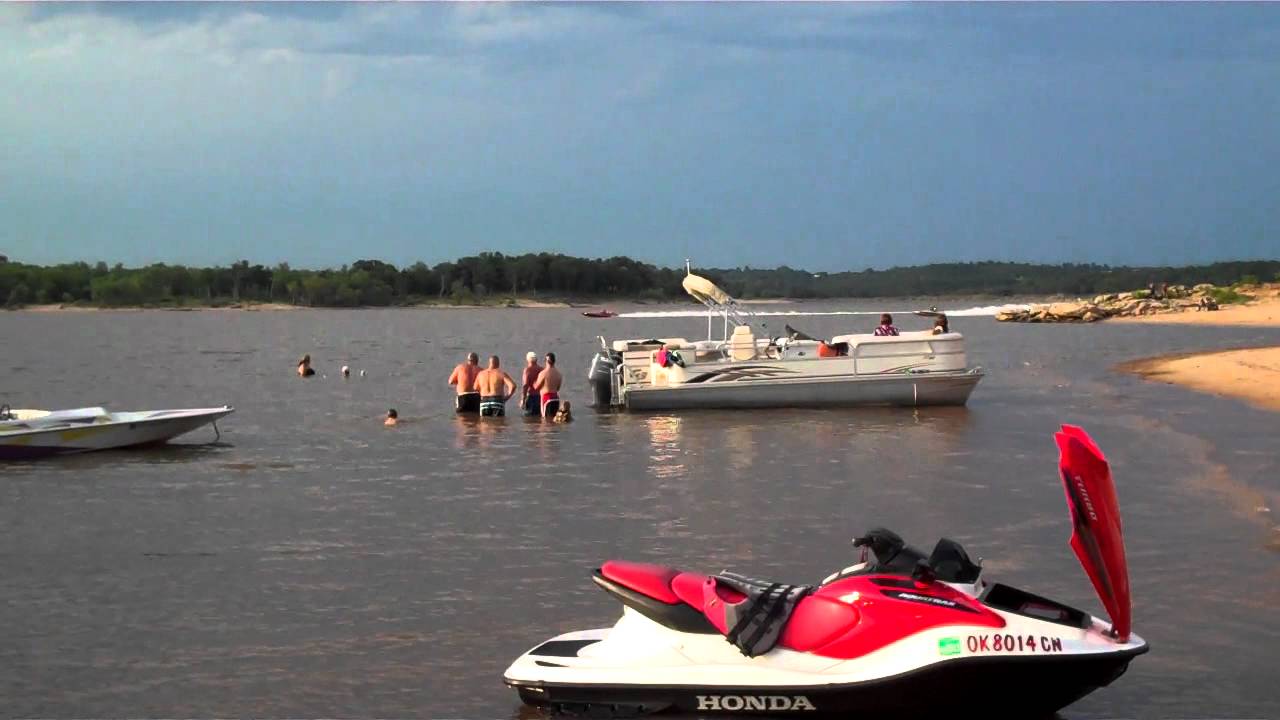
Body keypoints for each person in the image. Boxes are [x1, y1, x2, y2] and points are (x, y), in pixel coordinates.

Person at [534, 352, 564, 417]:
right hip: (556, 398)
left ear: (546, 361)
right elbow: (558, 388)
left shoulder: (543, 373)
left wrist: (534, 383)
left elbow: (536, 387)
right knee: (553, 420)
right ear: (554, 361)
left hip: (546, 398)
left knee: (545, 421)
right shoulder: (559, 374)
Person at [520, 351, 543, 416]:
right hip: (540, 397)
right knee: (539, 417)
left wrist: (523, 400)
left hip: (531, 397)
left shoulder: (527, 370)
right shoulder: (542, 370)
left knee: (529, 420)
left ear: (528, 360)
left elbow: (525, 385)